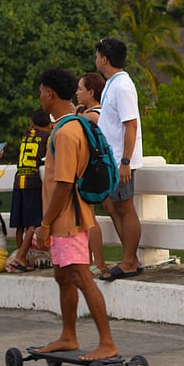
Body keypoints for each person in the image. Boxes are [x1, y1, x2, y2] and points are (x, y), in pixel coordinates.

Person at [33, 67, 117, 361]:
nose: (40, 97)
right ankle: (68, 335)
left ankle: (107, 342)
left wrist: (44, 223)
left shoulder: (67, 131)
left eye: (41, 92)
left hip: (68, 219)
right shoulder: (73, 125)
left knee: (81, 276)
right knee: (63, 276)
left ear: (50, 93)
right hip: (66, 218)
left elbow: (64, 184)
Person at [94, 37, 144, 282]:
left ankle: (128, 262)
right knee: (116, 207)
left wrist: (125, 161)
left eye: (97, 56)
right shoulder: (112, 85)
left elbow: (130, 125)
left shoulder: (122, 86)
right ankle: (130, 258)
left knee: (125, 208)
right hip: (112, 159)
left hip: (120, 160)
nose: (96, 61)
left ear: (104, 59)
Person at [5, 109, 52, 273]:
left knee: (20, 223)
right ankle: (21, 257)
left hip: (19, 180)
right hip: (33, 181)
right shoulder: (47, 136)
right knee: (33, 222)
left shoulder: (26, 135)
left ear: (32, 123)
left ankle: (21, 256)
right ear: (49, 125)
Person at [74, 73, 107, 276]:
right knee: (87, 217)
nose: (77, 93)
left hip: (91, 170)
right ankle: (90, 260)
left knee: (89, 218)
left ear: (91, 92)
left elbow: (70, 125)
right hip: (95, 169)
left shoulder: (93, 115)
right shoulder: (94, 112)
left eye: (80, 89)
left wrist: (74, 113)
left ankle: (99, 261)